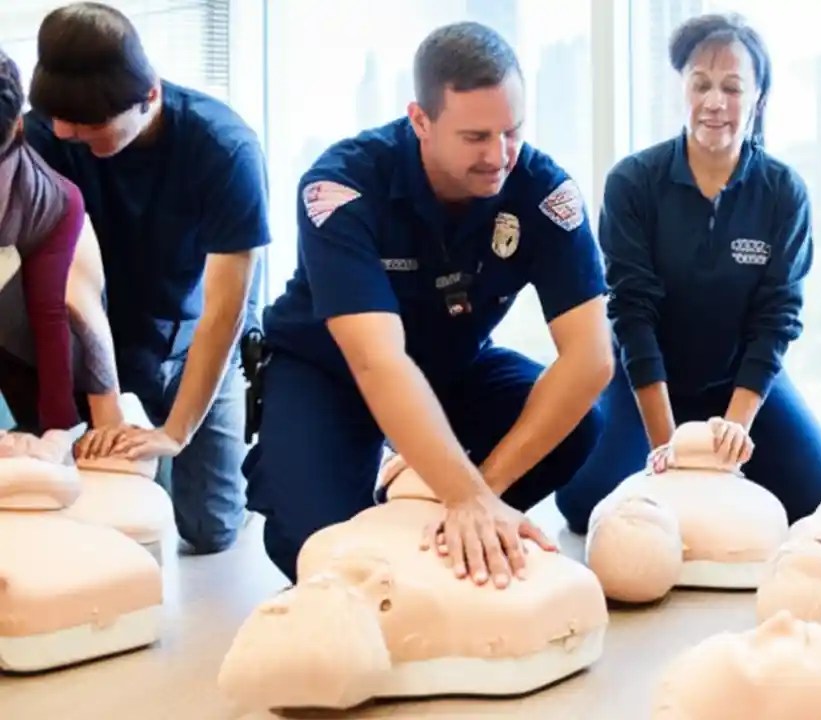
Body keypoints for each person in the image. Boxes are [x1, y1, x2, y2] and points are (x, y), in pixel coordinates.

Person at [244, 21, 612, 586]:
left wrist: (478, 491)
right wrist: (462, 491)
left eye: (511, 131)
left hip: (448, 364)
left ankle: (442, 517)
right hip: (332, 373)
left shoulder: (543, 189)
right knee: (314, 544)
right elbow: (378, 361)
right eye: (475, 138)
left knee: (580, 425)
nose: (500, 155)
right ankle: (428, 499)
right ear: (420, 120)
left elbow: (591, 359)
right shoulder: (341, 186)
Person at [554, 13, 821, 535]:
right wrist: (668, 450)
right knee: (583, 503)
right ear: (681, 91)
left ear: (758, 98)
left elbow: (776, 319)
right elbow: (632, 313)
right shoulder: (633, 183)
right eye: (701, 84)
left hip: (738, 380)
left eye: (733, 87)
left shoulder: (783, 192)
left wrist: (736, 426)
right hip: (643, 380)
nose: (715, 101)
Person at [23, 2, 269, 554]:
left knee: (210, 531)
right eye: (62, 122)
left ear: (149, 96)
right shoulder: (47, 136)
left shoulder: (223, 148)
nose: (70, 134)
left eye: (90, 128)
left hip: (196, 338)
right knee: (114, 518)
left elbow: (226, 305)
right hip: (101, 334)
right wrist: (103, 398)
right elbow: (69, 278)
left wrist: (175, 431)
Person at [0, 47, 123, 434]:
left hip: (19, 340)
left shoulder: (52, 201)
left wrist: (59, 434)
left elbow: (50, 314)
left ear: (18, 128)